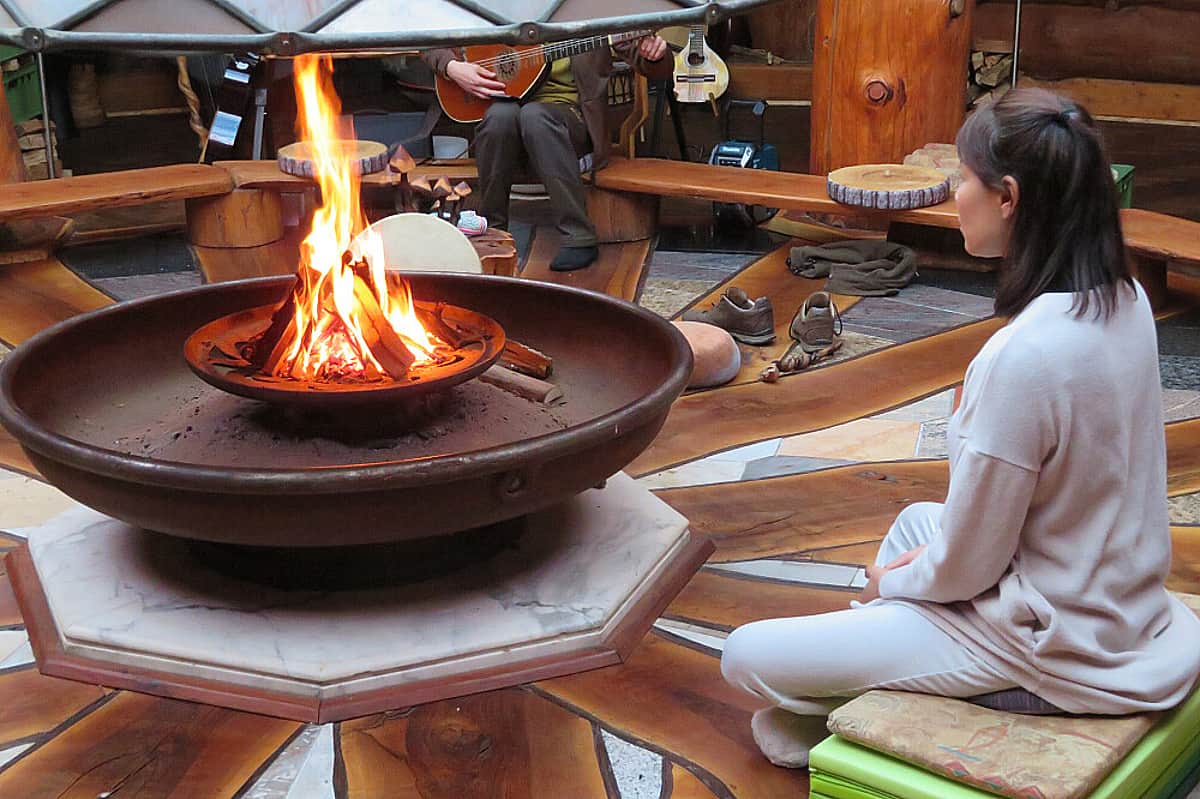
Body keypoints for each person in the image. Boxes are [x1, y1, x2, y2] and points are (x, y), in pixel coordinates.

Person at [720, 88, 1200, 768]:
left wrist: (890, 583)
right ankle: (854, 700)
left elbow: (972, 561)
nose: (954, 193)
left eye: (965, 178)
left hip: (1049, 644)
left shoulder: (1024, 356)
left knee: (745, 654)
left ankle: (897, 699)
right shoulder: (1125, 300)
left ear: (1008, 197)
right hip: (1111, 601)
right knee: (920, 521)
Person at [425, 34, 670, 271]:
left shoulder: (590, 10)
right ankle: (492, 231)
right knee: (499, 118)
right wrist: (452, 67)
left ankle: (579, 235)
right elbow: (428, 40)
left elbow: (652, 66)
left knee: (536, 116)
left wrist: (655, 54)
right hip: (507, 122)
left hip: (568, 122)